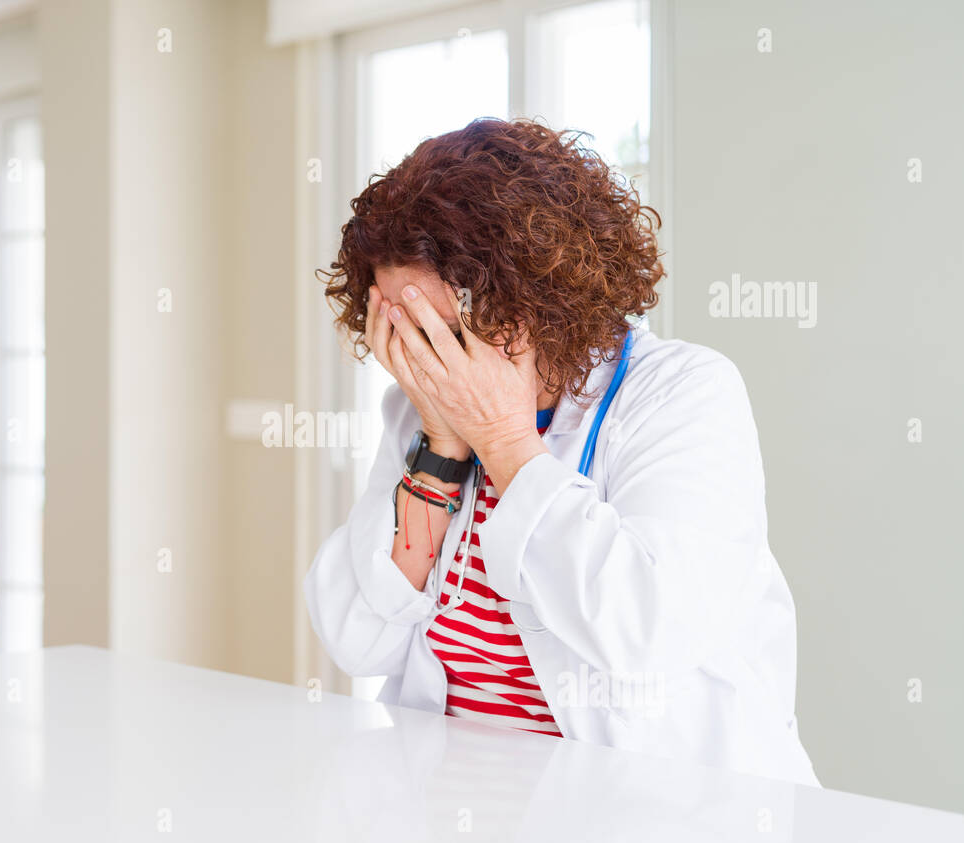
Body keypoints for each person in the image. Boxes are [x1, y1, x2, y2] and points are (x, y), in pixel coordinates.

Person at [305, 117, 818, 786]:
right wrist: (443, 449)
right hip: (452, 811)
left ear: (535, 301)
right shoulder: (420, 413)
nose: (425, 361)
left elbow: (645, 626)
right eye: (402, 332)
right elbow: (356, 637)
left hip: (666, 821)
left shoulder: (685, 393)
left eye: (440, 330)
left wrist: (508, 443)